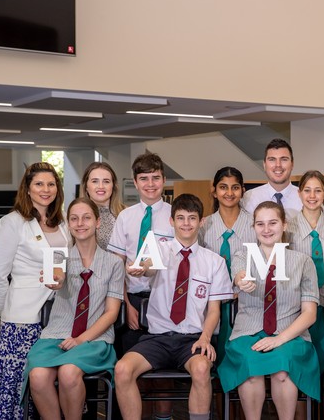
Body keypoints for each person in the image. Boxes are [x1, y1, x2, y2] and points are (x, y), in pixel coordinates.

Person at [115, 194, 233, 420]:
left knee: (201, 369)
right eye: (180, 218)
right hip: (157, 338)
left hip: (192, 339)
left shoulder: (214, 262)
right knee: (122, 370)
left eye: (192, 218)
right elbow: (149, 265)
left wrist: (205, 338)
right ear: (172, 221)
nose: (186, 223)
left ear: (201, 221)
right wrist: (142, 268)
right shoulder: (160, 250)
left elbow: (214, 310)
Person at [218, 201, 320, 420]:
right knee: (251, 371)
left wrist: (279, 339)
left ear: (284, 225)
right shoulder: (243, 256)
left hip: (289, 334)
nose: (266, 229)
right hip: (248, 332)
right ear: (253, 227)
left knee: (282, 371)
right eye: (260, 224)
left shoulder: (303, 262)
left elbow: (310, 313)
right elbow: (239, 273)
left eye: (272, 223)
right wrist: (242, 280)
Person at [24, 198, 124, 420]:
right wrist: (56, 279)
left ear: (97, 222)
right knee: (38, 376)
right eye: (74, 219)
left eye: (86, 218)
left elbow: (111, 313)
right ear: (68, 224)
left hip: (94, 338)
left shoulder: (114, 263)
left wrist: (80, 339)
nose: (80, 223)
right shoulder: (59, 256)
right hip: (56, 335)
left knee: (69, 373)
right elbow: (57, 275)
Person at [0, 162, 69, 419]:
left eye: (51, 184)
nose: (46, 189)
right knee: (16, 384)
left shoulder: (63, 221)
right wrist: (7, 311)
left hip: (58, 316)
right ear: (27, 188)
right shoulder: (12, 223)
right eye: (39, 184)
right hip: (23, 317)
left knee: (48, 381)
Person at [107, 152, 174, 353]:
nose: (150, 184)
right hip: (132, 299)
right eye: (144, 178)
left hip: (166, 298)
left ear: (164, 180)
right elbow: (117, 266)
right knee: (130, 358)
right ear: (135, 183)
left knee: (163, 359)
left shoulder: (176, 216)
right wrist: (126, 305)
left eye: (155, 178)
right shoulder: (125, 217)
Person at [198, 166, 257, 364]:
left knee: (242, 357)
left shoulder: (256, 225)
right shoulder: (203, 226)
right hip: (210, 302)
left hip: (248, 301)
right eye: (223, 187)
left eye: (235, 187)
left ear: (243, 191)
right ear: (214, 191)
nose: (229, 193)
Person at [286, 170, 324, 372]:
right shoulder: (287, 229)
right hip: (298, 303)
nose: (312, 196)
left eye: (318, 191)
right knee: (301, 360)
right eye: (307, 190)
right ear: (299, 193)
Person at [241, 138, 302, 218]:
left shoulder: (305, 198)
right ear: (264, 165)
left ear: (292, 164)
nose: (278, 165)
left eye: (284, 159)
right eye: (272, 160)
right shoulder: (249, 198)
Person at [80, 162, 126, 250]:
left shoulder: (127, 214)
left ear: (113, 186)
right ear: (86, 186)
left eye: (106, 181)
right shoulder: (76, 216)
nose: (101, 186)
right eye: (95, 181)